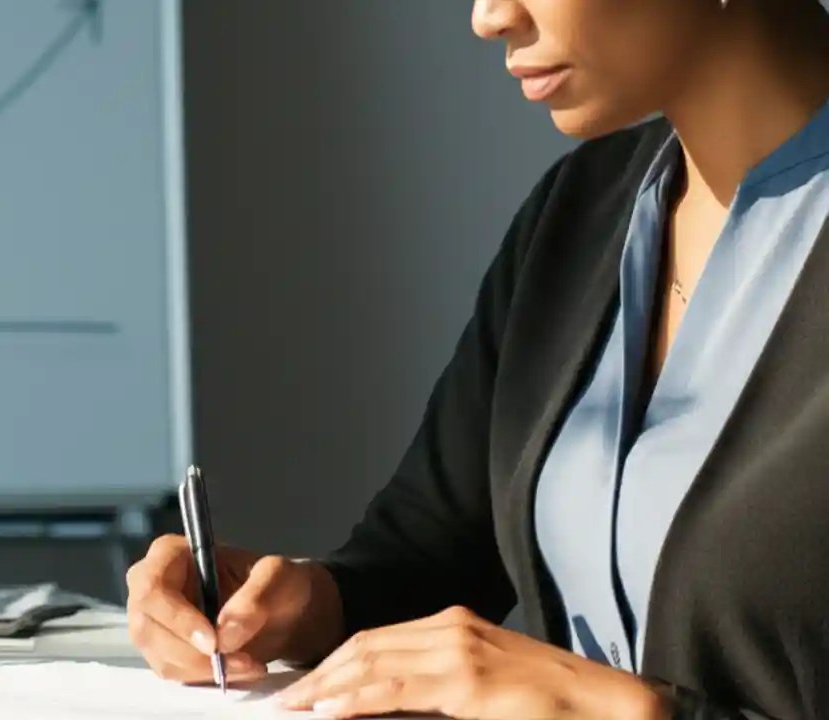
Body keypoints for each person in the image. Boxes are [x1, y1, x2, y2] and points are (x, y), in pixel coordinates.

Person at [125, 0, 829, 718]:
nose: (489, 16)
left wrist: (628, 712)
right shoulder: (579, 211)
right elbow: (435, 554)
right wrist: (300, 604)